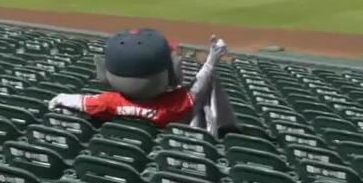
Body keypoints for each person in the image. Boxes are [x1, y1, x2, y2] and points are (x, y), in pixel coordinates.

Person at [47, 28, 228, 130]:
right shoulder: (172, 106)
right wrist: (212, 59)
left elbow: (81, 101)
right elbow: (197, 88)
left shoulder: (109, 103)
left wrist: (60, 98)